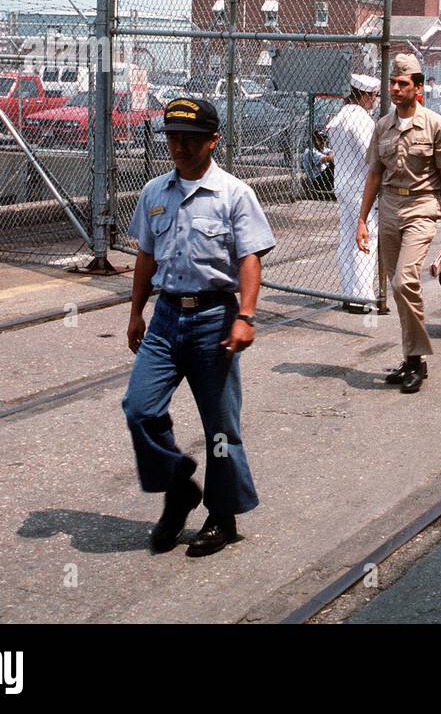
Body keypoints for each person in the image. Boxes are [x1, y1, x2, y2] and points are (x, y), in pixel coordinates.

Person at [121, 97, 276, 557]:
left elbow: (250, 258)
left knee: (221, 428)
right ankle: (179, 489)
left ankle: (222, 516)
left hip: (215, 319)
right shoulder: (154, 193)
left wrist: (246, 316)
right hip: (168, 318)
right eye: (172, 137)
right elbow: (146, 256)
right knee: (140, 407)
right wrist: (135, 312)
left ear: (213, 140)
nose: (179, 146)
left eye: (189, 138)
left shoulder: (234, 194)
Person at [356, 54, 441, 393]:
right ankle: (412, 356)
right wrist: (362, 220)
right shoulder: (382, 126)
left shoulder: (434, 124)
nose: (396, 88)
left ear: (418, 88)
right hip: (389, 207)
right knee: (398, 288)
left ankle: (416, 359)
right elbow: (374, 174)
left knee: (405, 281)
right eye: (393, 83)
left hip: (421, 207)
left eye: (403, 84)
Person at [327, 74, 381, 311]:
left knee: (348, 237)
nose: (376, 101)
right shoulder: (361, 120)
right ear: (367, 95)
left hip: (343, 183)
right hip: (360, 186)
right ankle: (362, 296)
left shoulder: (339, 117)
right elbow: (370, 157)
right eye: (375, 96)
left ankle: (349, 293)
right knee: (366, 236)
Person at [301, 131, 333, 197]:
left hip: (322, 177)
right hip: (316, 180)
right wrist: (332, 155)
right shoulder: (311, 150)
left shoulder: (322, 149)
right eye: (320, 139)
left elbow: (331, 152)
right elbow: (328, 159)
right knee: (332, 164)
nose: (323, 141)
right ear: (313, 141)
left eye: (324, 139)